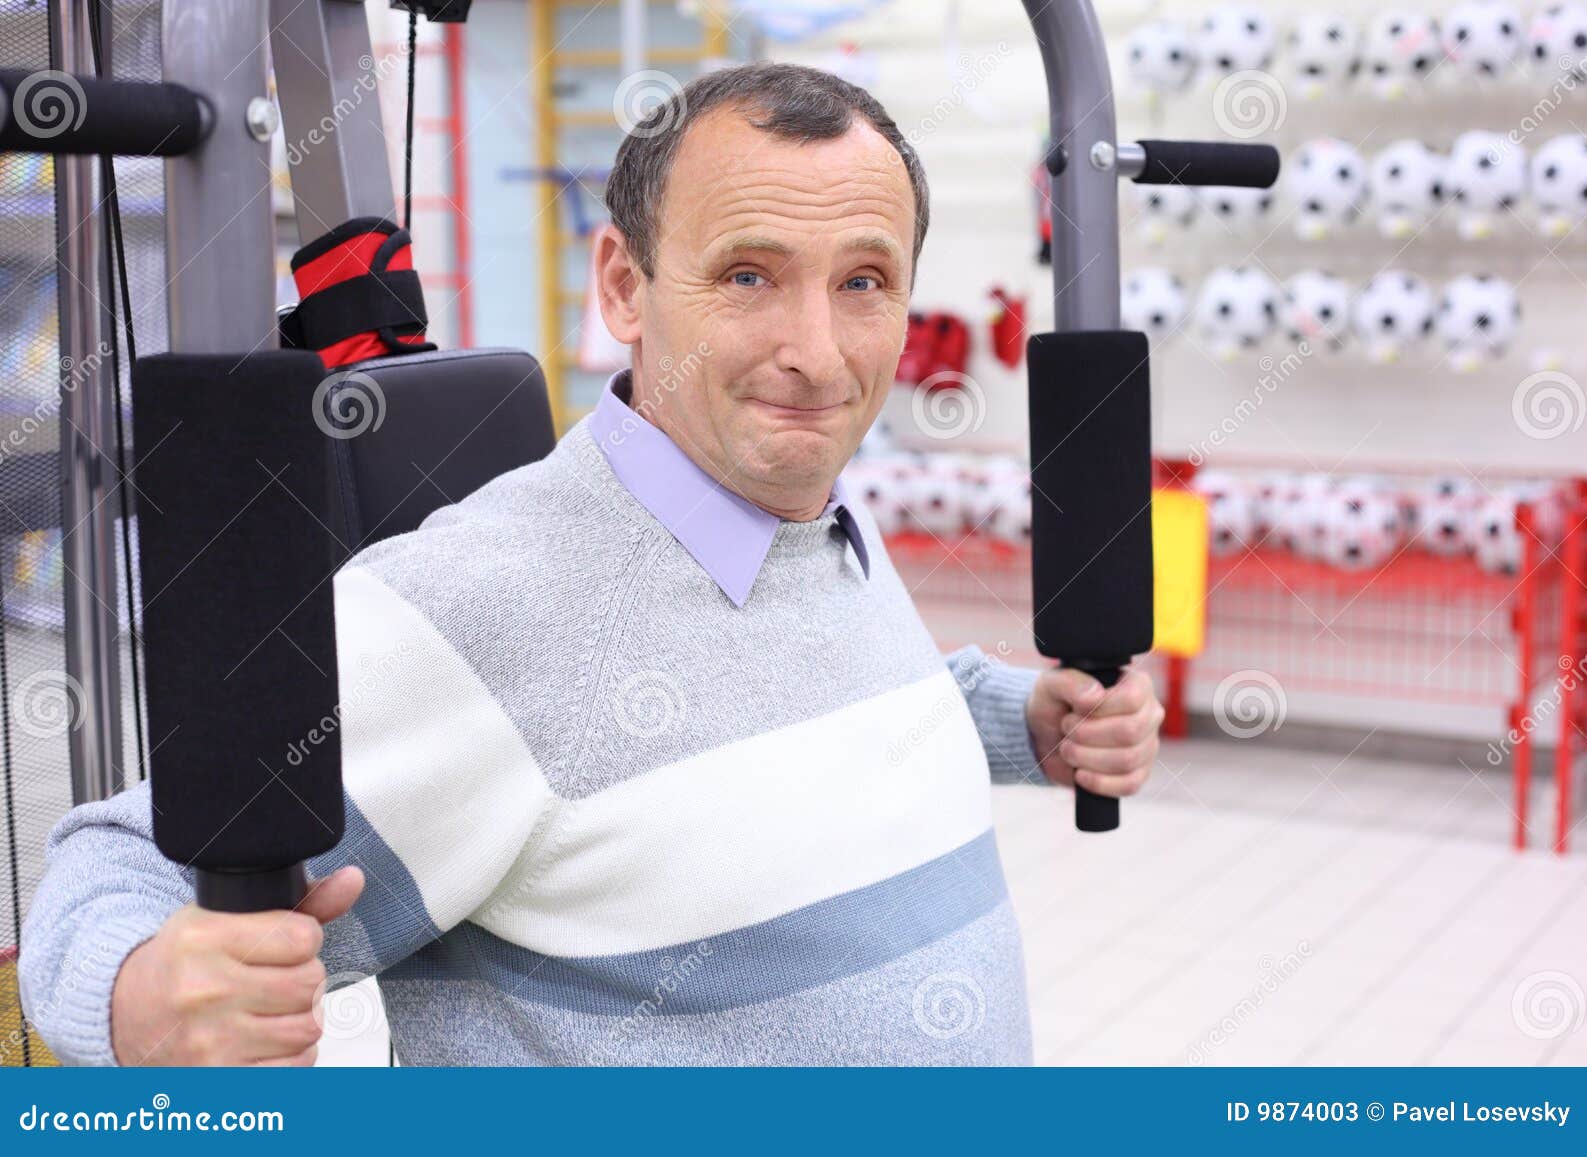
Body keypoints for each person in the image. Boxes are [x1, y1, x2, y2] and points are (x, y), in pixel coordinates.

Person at [20, 61, 1161, 1067]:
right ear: (622, 285)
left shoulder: (809, 514)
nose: (816, 355)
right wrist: (135, 993)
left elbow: (822, 701)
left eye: (861, 280)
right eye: (749, 275)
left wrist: (1025, 720)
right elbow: (111, 866)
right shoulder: (491, 605)